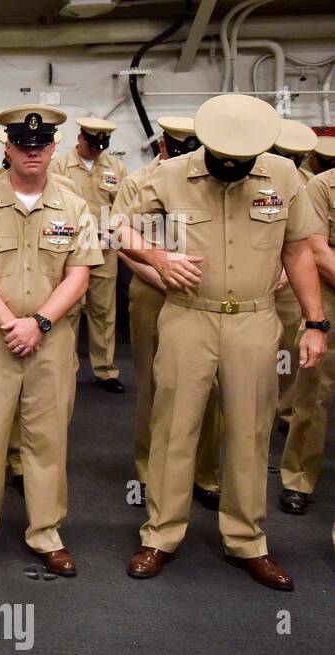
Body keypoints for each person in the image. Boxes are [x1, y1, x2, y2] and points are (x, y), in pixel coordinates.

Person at [121, 94, 327, 591]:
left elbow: (299, 250)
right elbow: (119, 225)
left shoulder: (283, 176)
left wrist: (316, 323)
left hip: (254, 323)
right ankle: (160, 535)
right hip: (189, 317)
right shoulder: (169, 175)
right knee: (174, 427)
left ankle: (247, 539)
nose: (233, 171)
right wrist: (158, 257)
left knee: (251, 430)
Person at [0, 104, 101, 574]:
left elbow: (79, 277)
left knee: (48, 439)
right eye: (22, 145)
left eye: (40, 146)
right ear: (8, 148)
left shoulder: (74, 205)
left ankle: (46, 533)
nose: (32, 153)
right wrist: (10, 324)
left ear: (53, 148)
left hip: (52, 339)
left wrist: (38, 323)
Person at [116, 116, 222, 510]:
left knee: (212, 388)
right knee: (154, 385)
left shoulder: (213, 185)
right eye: (176, 148)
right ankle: (149, 470)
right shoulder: (141, 183)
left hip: (205, 298)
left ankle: (205, 472)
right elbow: (123, 241)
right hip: (153, 291)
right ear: (163, 147)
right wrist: (160, 273)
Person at [49, 117, 126, 394]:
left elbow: (122, 207)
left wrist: (112, 232)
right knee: (68, 309)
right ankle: (65, 366)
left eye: (101, 146)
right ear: (80, 137)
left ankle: (105, 370)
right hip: (69, 249)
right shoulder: (59, 165)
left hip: (104, 248)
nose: (96, 151)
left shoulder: (115, 167)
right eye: (92, 144)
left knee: (103, 310)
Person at [277, 162, 335, 515]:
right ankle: (298, 478)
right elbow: (316, 249)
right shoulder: (321, 186)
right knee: (314, 393)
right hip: (329, 295)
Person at [271, 120, 320, 432]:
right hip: (251, 277)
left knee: (287, 347)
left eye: (296, 158)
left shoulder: (306, 186)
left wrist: (289, 275)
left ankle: (285, 409)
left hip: (289, 280)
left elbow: (302, 241)